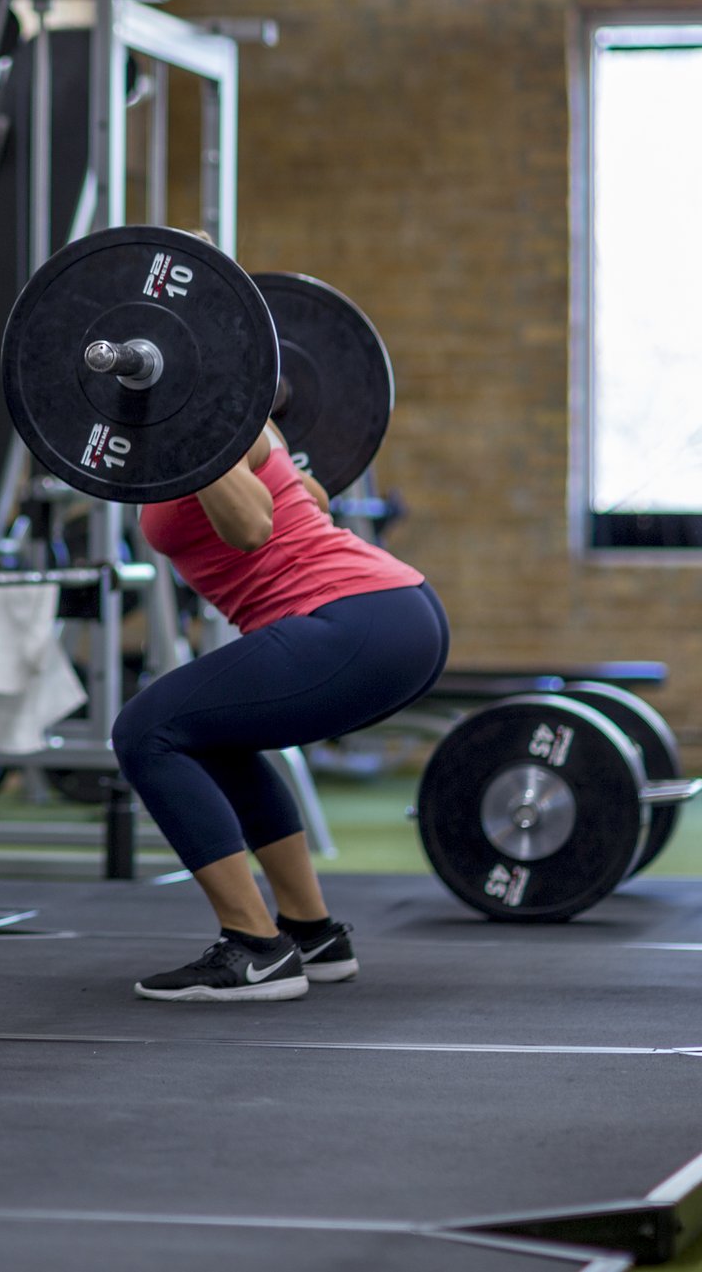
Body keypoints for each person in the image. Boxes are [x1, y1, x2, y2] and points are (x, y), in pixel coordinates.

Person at [117, 423, 448, 1001]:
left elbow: (250, 528)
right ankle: (310, 931)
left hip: (353, 619)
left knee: (147, 731)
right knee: (211, 736)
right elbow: (310, 497)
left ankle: (255, 947)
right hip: (391, 609)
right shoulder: (238, 419)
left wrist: (204, 445)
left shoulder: (208, 421)